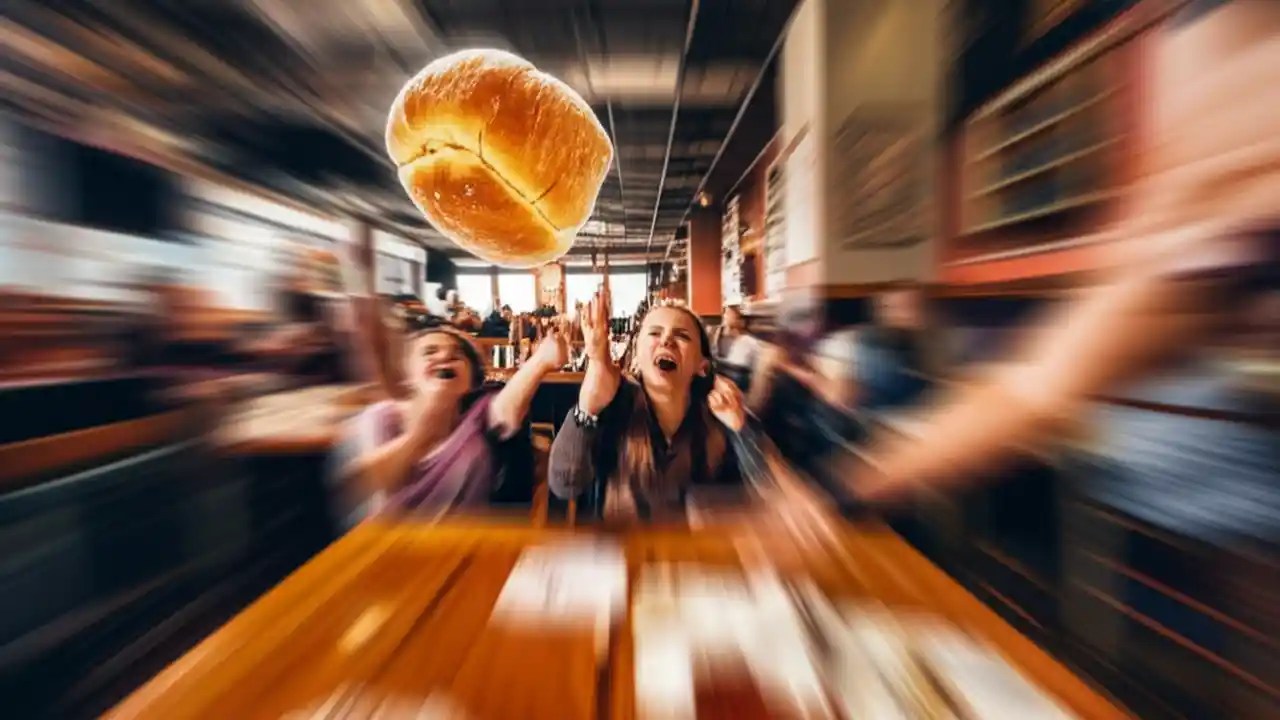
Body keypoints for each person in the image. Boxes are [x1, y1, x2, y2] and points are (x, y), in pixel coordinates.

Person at [548, 287, 769, 521]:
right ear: (635, 357)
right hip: (620, 553)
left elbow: (767, 491)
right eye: (654, 333)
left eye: (682, 336)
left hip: (697, 555)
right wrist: (588, 405)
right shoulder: (612, 407)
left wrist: (741, 429)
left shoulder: (720, 415)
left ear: (702, 366)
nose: (666, 340)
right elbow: (565, 485)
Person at [336, 322, 567, 522]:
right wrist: (418, 437)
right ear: (408, 375)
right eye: (430, 352)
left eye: (457, 355)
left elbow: (509, 404)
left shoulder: (479, 417)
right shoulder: (383, 417)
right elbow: (359, 486)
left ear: (469, 381)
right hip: (392, 547)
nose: (445, 356)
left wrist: (542, 361)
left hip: (462, 547)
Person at [710, 305, 762, 389]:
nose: (725, 317)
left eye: (728, 314)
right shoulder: (723, 339)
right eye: (725, 314)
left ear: (739, 320)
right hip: (727, 376)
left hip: (740, 378)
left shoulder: (750, 342)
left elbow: (753, 372)